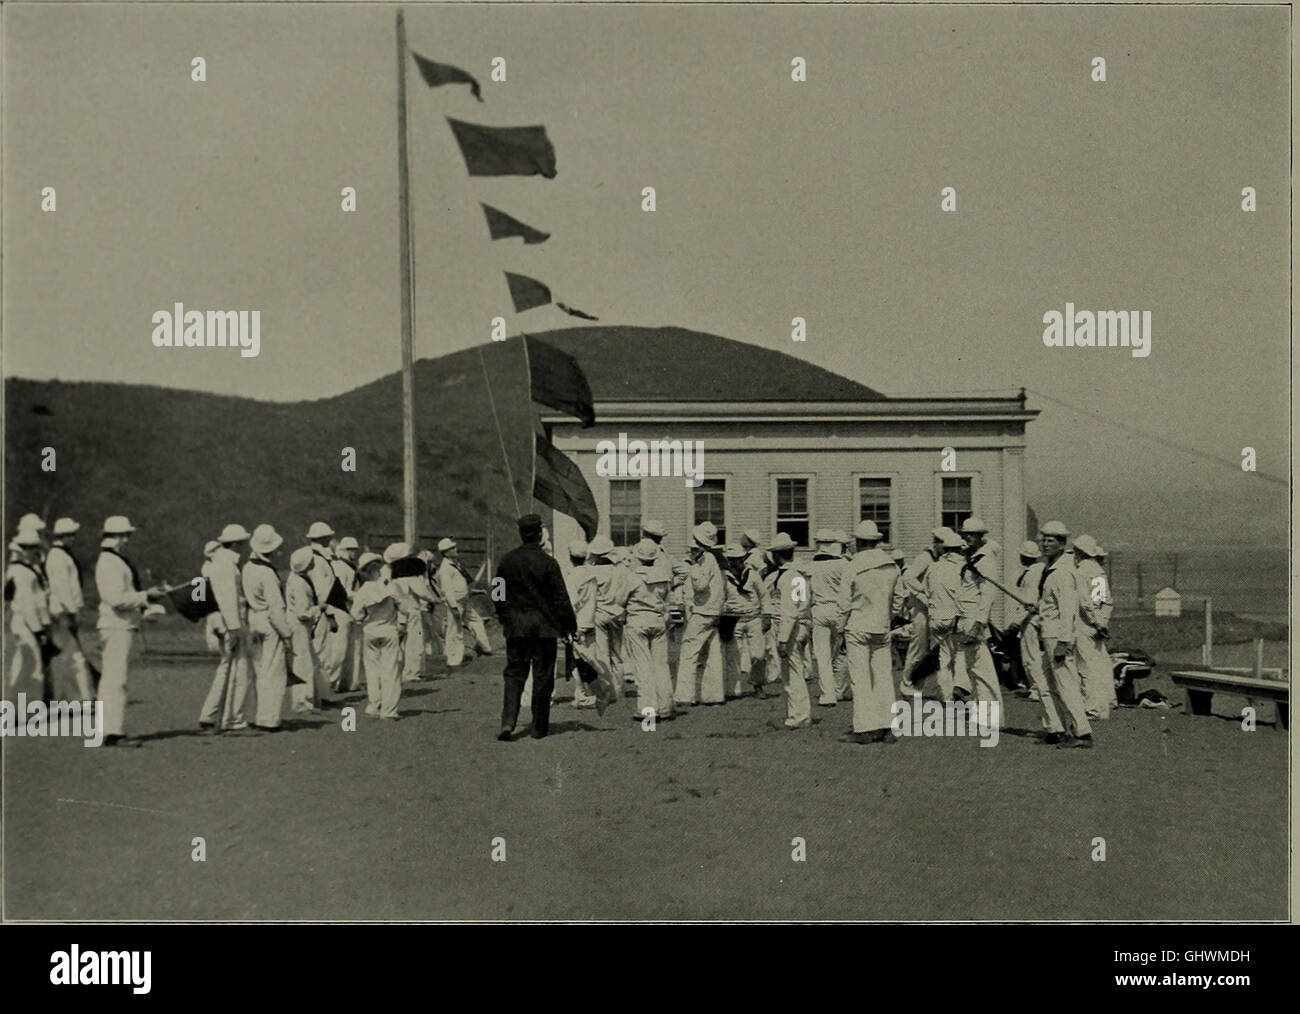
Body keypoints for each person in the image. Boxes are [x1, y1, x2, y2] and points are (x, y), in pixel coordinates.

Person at [493, 514, 580, 740]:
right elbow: (561, 598)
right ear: (540, 534)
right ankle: (539, 726)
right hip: (544, 630)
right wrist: (569, 626)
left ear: (522, 534)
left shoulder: (506, 561)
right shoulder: (549, 563)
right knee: (543, 676)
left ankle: (508, 722)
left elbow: (497, 593)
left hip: (516, 628)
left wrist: (505, 617)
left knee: (514, 674)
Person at [95, 516, 167, 746]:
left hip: (120, 624)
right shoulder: (109, 562)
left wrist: (146, 597)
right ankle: (112, 732)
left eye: (127, 535)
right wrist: (146, 596)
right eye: (122, 535)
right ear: (111, 537)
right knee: (116, 679)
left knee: (114, 678)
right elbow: (115, 599)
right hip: (116, 625)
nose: (126, 540)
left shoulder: (114, 560)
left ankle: (109, 730)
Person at [838, 520, 899, 744]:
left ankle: (864, 728)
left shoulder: (853, 565)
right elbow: (899, 598)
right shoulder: (892, 564)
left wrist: (838, 630)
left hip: (857, 626)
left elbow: (844, 604)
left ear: (859, 542)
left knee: (860, 679)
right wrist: (888, 616)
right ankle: (888, 726)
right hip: (881, 626)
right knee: (883, 677)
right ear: (876, 541)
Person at [1037, 521, 1093, 748]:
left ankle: (1082, 733)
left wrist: (1063, 641)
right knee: (1050, 684)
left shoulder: (1062, 573)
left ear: (1062, 544)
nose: (1045, 544)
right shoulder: (1052, 570)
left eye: (1051, 540)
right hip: (1049, 633)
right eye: (1043, 539)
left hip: (1058, 636)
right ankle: (1062, 729)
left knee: (1066, 684)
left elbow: (1069, 609)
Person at [199, 523, 252, 732]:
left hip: (221, 620)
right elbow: (228, 598)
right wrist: (234, 627)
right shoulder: (227, 565)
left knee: (225, 668)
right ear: (238, 543)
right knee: (240, 671)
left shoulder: (214, 564)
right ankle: (233, 719)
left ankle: (209, 715)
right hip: (231, 621)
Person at [242, 524, 294, 732]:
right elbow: (276, 607)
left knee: (259, 669)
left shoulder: (247, 567)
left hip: (253, 618)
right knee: (274, 672)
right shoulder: (267, 573)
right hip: (269, 621)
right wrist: (287, 634)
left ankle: (261, 714)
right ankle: (270, 719)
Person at [350, 552, 411, 720]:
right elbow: (405, 607)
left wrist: (364, 616)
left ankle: (374, 705)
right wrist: (401, 621)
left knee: (372, 670)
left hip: (370, 631)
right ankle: (389, 710)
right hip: (389, 630)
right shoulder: (390, 586)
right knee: (390, 669)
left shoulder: (363, 590)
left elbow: (355, 614)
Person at [620, 538, 675, 719]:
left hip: (637, 621)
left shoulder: (632, 576)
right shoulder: (664, 576)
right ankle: (665, 706)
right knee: (661, 665)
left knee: (643, 666)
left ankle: (648, 709)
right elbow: (668, 599)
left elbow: (621, 600)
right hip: (658, 620)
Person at [674, 521, 725, 706]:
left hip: (703, 612)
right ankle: (713, 695)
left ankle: (684, 695)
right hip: (713, 611)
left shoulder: (705, 560)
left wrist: (693, 567)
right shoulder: (713, 559)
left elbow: (701, 585)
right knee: (711, 653)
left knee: (689, 652)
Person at [45, 517, 94, 700]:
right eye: (70, 535)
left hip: (64, 612)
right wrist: (73, 612)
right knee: (72, 657)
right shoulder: (57, 557)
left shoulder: (62, 555)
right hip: (63, 613)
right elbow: (62, 588)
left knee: (69, 657)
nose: (74, 538)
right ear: (62, 536)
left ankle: (75, 697)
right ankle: (82, 697)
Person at [922, 528, 971, 703]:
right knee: (960, 654)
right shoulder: (964, 569)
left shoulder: (933, 568)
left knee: (943, 659)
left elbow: (926, 591)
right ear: (959, 549)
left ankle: (946, 696)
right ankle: (960, 686)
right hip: (955, 617)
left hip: (936, 616)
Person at [768, 533, 811, 729]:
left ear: (777, 555)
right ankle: (800, 713)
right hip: (796, 624)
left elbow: (790, 611)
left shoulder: (791, 577)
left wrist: (783, 639)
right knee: (794, 671)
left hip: (790, 626)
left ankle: (798, 716)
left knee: (792, 673)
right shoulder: (795, 575)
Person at [7, 528, 52, 704]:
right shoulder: (21, 573)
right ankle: (29, 707)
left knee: (24, 664)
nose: (35, 551)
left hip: (26, 621)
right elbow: (28, 605)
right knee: (32, 666)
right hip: (25, 622)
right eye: (30, 548)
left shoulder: (25, 571)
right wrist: (38, 630)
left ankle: (20, 706)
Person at [1071, 534, 1113, 721]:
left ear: (1079, 552)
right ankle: (1104, 704)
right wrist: (1102, 623)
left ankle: (1093, 708)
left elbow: (1085, 602)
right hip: (1097, 624)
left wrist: (1094, 621)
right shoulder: (1098, 571)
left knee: (1086, 667)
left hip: (1084, 623)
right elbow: (1104, 601)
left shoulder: (1081, 571)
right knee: (1099, 664)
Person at [304, 522, 349, 697]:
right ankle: (322, 692)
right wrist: (330, 615)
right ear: (323, 539)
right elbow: (322, 591)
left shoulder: (318, 557)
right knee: (324, 653)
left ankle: (322, 691)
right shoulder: (317, 560)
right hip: (323, 610)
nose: (330, 540)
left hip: (323, 608)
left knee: (324, 652)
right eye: (328, 537)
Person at [898, 531, 944, 695]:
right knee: (918, 648)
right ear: (937, 543)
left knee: (934, 651)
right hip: (920, 610)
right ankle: (907, 684)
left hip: (934, 609)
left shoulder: (940, 559)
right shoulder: (925, 557)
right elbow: (908, 577)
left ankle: (919, 686)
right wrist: (923, 593)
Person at [808, 528, 849, 706]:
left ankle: (827, 694)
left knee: (822, 656)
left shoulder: (809, 566)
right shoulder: (843, 565)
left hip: (819, 610)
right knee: (841, 651)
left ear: (818, 544)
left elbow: (803, 594)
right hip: (839, 610)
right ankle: (838, 688)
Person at [437, 537, 492, 668]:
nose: (456, 549)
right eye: (452, 548)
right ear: (446, 552)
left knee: (476, 621)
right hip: (456, 602)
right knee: (454, 630)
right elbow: (447, 589)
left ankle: (485, 647)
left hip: (465, 600)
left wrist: (474, 591)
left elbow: (463, 583)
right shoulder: (445, 568)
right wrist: (454, 607)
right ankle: (453, 659)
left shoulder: (455, 564)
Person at [585, 536, 626, 702]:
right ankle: (619, 690)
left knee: (602, 654)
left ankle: (607, 692)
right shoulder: (621, 571)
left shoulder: (592, 572)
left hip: (600, 613)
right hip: (617, 613)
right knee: (617, 653)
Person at [719, 543, 763, 698]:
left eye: (737, 560)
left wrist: (767, 616)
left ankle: (757, 685)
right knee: (733, 656)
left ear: (743, 559)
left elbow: (764, 596)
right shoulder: (723, 577)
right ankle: (733, 689)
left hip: (753, 618)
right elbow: (719, 598)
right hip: (733, 619)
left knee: (758, 655)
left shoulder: (753, 575)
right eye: (731, 560)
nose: (733, 563)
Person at [285, 546, 326, 713]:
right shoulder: (299, 584)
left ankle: (310, 698)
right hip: (299, 625)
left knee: (307, 661)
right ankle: (302, 702)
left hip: (298, 624)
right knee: (303, 663)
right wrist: (318, 609)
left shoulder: (296, 577)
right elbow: (303, 613)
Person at [561, 539, 600, 709]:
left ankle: (583, 695)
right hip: (590, 620)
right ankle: (588, 693)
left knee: (576, 661)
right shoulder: (592, 574)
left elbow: (570, 603)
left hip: (577, 623)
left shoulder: (572, 577)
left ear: (571, 557)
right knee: (588, 658)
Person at [1010, 540, 1049, 706]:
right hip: (1037, 617)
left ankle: (1037, 688)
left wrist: (1017, 622)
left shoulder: (1032, 575)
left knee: (1030, 656)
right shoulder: (1039, 570)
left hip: (1030, 619)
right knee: (1037, 655)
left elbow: (1029, 601)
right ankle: (1039, 687)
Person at [332, 536, 362, 692]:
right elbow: (341, 590)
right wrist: (360, 595)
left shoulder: (352, 567)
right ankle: (333, 682)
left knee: (355, 648)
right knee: (340, 648)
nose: (354, 553)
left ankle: (351, 682)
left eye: (355, 550)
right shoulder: (338, 566)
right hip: (341, 609)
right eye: (351, 550)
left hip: (353, 609)